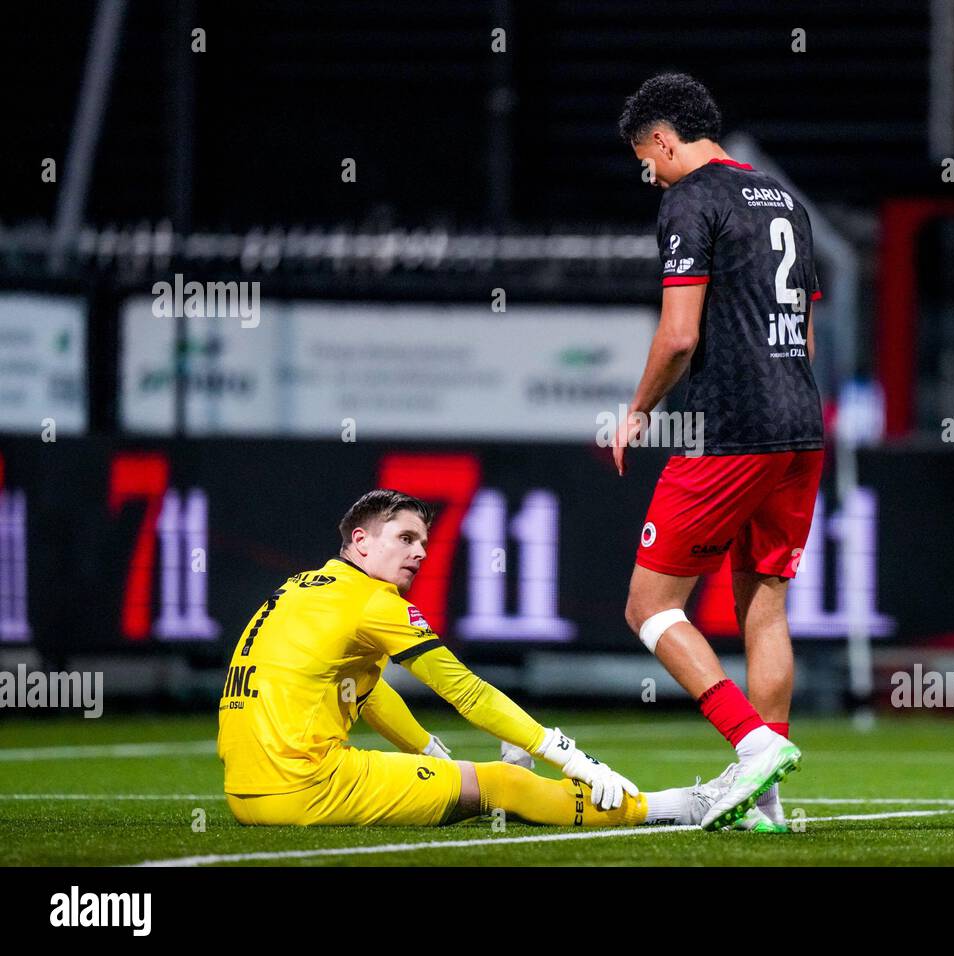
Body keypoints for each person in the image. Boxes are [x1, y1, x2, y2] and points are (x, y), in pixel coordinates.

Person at [218, 489, 718, 828]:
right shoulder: (375, 602)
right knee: (503, 782)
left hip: (243, 795)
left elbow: (364, 690)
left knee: (469, 773)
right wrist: (572, 756)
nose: (419, 553)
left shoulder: (299, 588)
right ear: (361, 542)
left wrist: (428, 751)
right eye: (405, 538)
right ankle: (684, 806)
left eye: (423, 543)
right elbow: (464, 689)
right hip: (306, 788)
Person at [615, 73, 825, 831]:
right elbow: (802, 326)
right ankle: (765, 804)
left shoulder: (689, 198)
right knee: (763, 605)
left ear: (665, 140)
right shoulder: (782, 198)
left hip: (729, 429)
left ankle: (751, 745)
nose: (652, 174)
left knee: (649, 605)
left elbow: (679, 335)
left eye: (649, 158)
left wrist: (636, 412)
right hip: (801, 422)